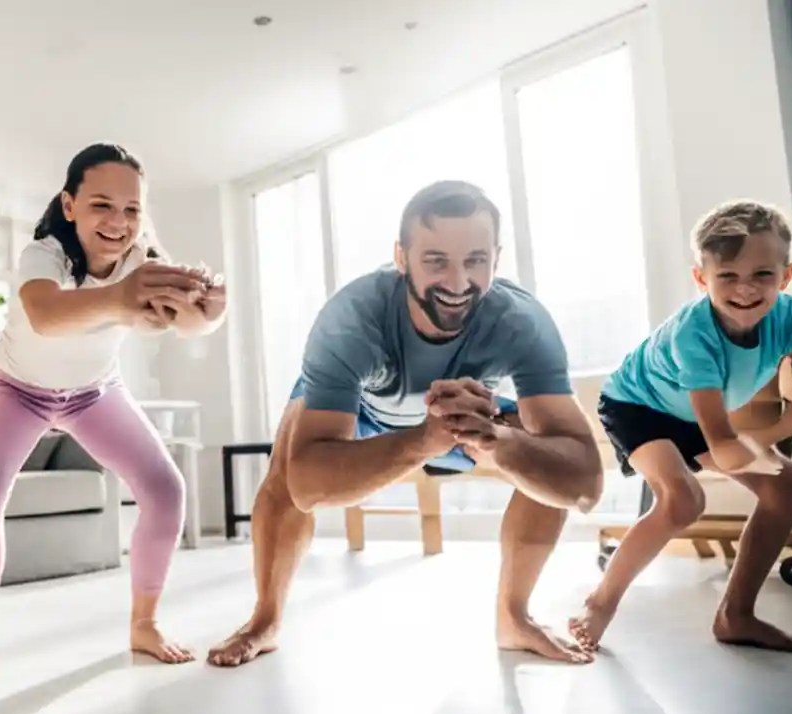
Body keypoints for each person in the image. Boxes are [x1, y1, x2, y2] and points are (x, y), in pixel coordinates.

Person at [208, 180, 605, 668]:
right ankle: (265, 619)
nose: (458, 284)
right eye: (436, 261)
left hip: (467, 413)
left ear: (495, 260)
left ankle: (513, 617)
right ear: (402, 257)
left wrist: (500, 441)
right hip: (364, 408)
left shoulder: (522, 322)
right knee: (288, 456)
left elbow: (585, 485)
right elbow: (307, 486)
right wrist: (424, 440)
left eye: (475, 261)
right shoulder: (352, 318)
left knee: (540, 447)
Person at [0, 143, 227, 684]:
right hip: (15, 387)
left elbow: (184, 324)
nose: (119, 223)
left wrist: (209, 313)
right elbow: (47, 316)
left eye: (132, 209)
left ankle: (145, 624)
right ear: (69, 205)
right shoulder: (44, 253)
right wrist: (123, 299)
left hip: (94, 392)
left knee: (166, 490)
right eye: (102, 205)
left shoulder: (143, 255)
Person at [569, 200, 792, 654]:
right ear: (701, 278)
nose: (745, 290)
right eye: (727, 276)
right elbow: (727, 448)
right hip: (638, 404)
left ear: (785, 276)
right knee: (683, 500)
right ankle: (601, 602)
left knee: (788, 485)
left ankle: (736, 615)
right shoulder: (694, 336)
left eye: (762, 275)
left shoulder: (790, 317)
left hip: (692, 412)